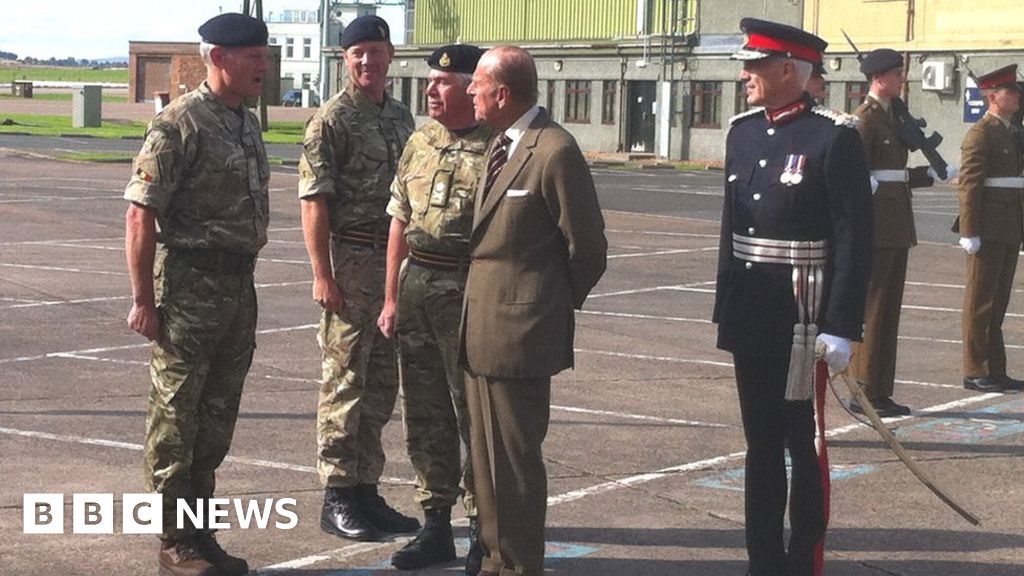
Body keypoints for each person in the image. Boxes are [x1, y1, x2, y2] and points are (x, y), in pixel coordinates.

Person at [714, 18, 873, 576]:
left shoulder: (834, 136)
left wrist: (843, 324)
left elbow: (855, 237)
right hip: (752, 311)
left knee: (803, 446)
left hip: (804, 318)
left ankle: (804, 560)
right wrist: (724, 307)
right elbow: (732, 230)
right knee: (759, 446)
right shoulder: (742, 131)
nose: (745, 74)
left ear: (789, 70)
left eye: (754, 65)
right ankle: (763, 560)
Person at [124, 12, 270, 576]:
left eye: (264, 54)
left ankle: (199, 534)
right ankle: (172, 543)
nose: (263, 64)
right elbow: (141, 214)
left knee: (215, 421)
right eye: (252, 55)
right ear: (218, 57)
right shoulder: (178, 124)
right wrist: (143, 299)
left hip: (239, 286)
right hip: (189, 286)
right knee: (175, 420)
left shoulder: (244, 122)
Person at [462, 45, 608, 576]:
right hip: (479, 330)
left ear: (503, 93)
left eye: (478, 84)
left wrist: (546, 304)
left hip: (521, 333)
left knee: (516, 465)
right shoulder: (501, 144)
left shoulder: (553, 150)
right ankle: (497, 560)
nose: (470, 92)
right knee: (487, 463)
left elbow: (588, 247)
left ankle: (521, 566)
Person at [298, 14, 419, 542]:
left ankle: (367, 490)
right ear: (343, 59)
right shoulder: (332, 120)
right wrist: (322, 273)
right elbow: (314, 202)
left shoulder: (399, 117)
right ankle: (337, 495)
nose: (367, 61)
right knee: (345, 381)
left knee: (381, 384)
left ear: (391, 56)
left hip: (392, 265)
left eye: (376, 51)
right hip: (349, 262)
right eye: (357, 53)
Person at [377, 44, 493, 572]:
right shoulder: (420, 140)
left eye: (442, 83)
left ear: (472, 88)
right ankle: (436, 525)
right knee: (424, 414)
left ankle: (484, 531)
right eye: (429, 81)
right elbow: (398, 218)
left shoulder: (500, 146)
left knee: (475, 415)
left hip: (469, 290)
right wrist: (391, 298)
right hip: (418, 286)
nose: (430, 91)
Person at [849, 49, 954, 416]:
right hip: (878, 228)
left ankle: (880, 389)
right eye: (896, 74)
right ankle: (863, 389)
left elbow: (896, 176)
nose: (902, 79)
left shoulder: (893, 117)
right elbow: (857, 175)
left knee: (889, 313)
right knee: (874, 309)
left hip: (896, 226)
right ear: (878, 78)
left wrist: (929, 174)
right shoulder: (865, 120)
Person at [955, 64, 1024, 393]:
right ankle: (974, 369)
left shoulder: (1010, 130)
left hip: (1008, 227)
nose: (1017, 97)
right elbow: (969, 185)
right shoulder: (981, 133)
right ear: (992, 97)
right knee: (980, 302)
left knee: (998, 303)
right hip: (987, 228)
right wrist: (969, 231)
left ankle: (995, 368)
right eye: (1011, 92)